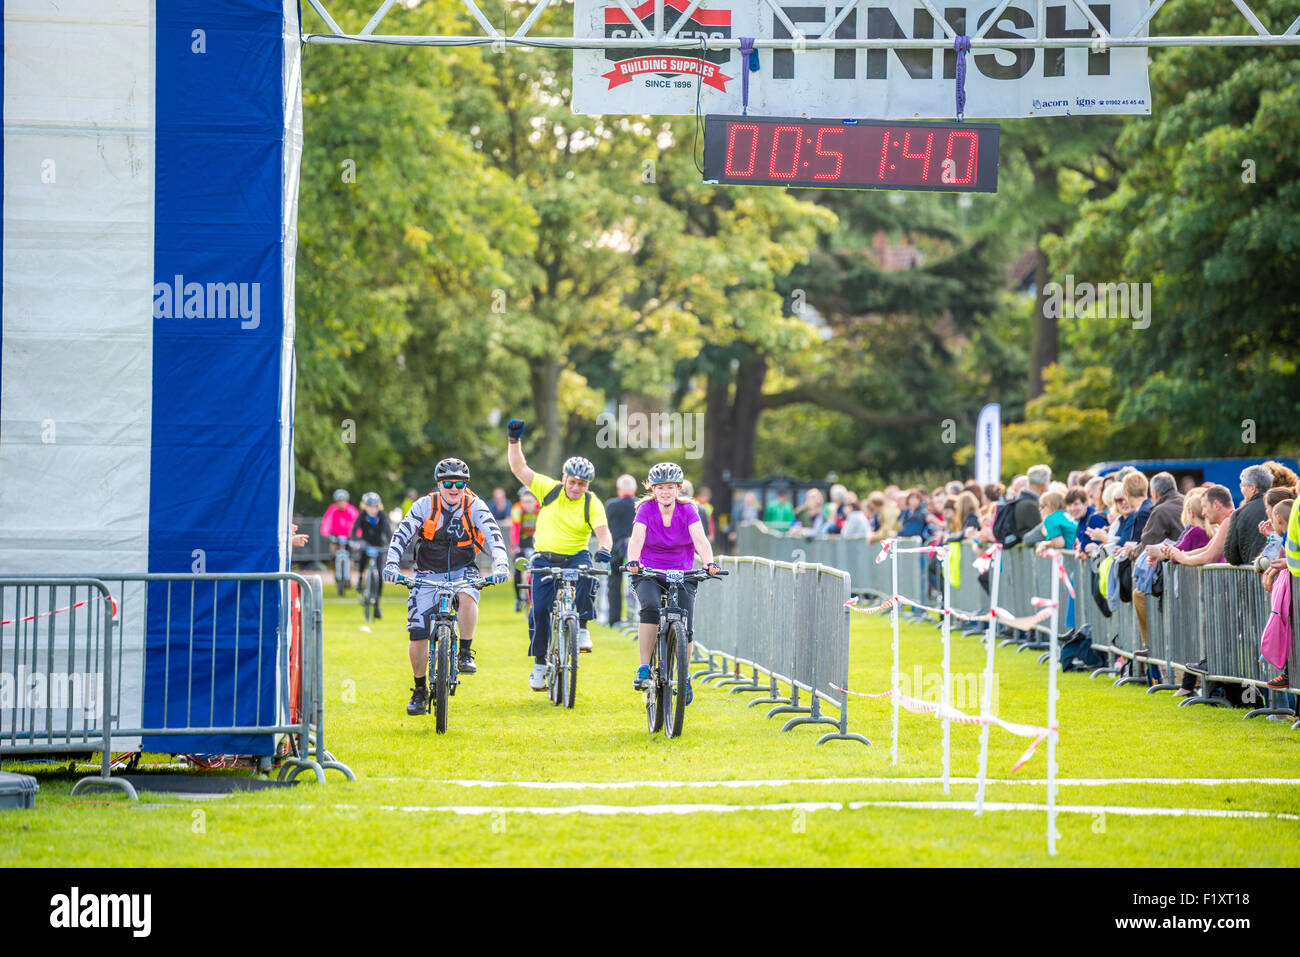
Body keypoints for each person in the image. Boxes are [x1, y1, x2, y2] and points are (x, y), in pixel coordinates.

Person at [383, 459, 510, 716]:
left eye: (460, 483)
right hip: (428, 572)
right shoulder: (424, 505)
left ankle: (464, 651)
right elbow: (401, 534)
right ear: (438, 484)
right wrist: (391, 564)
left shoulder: (474, 505)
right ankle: (419, 690)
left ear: (466, 484)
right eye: (448, 483)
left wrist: (502, 566)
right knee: (417, 631)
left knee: (467, 596)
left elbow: (494, 535)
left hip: (464, 569)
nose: (454, 488)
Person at [506, 418, 613, 691]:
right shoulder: (549, 489)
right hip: (544, 557)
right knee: (539, 611)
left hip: (576, 555)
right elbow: (519, 468)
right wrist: (514, 441)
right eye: (573, 482)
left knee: (589, 574)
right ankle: (540, 664)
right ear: (565, 478)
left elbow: (603, 532)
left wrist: (604, 550)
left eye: (583, 484)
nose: (577, 488)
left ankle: (584, 627)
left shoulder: (592, 502)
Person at [623, 462, 721, 701]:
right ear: (652, 489)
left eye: (670, 487)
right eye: (660, 487)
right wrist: (633, 561)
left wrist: (708, 562)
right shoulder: (646, 509)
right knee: (651, 609)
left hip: (682, 572)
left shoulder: (688, 510)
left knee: (685, 625)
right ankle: (644, 666)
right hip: (649, 572)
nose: (665, 492)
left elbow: (700, 540)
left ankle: (684, 676)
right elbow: (636, 540)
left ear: (678, 488)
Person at [604, 474, 639, 626]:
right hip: (637, 550)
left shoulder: (611, 505)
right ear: (635, 488)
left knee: (614, 583)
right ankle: (637, 619)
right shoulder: (640, 504)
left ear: (618, 489)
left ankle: (614, 619)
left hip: (616, 548)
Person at [350, 491, 393, 612]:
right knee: (363, 560)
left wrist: (391, 544)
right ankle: (360, 579)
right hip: (366, 544)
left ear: (378, 506)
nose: (372, 509)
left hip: (379, 546)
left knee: (379, 574)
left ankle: (377, 603)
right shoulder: (362, 515)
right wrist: (355, 542)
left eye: (374, 507)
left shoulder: (382, 516)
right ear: (364, 506)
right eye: (369, 506)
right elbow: (354, 531)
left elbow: (388, 531)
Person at [1222, 464, 1272, 566]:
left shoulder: (1239, 513)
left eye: (1243, 486)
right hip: (1286, 577)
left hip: (1254, 575)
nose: (1241, 489)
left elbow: (1231, 556)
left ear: (1253, 488)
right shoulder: (1283, 505)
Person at [509, 487, 539, 612]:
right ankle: (518, 599)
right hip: (521, 541)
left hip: (536, 539)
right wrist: (515, 545)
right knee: (517, 570)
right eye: (524, 501)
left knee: (538, 568)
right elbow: (515, 528)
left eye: (529, 501)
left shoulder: (540, 508)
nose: (527, 505)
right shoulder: (517, 509)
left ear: (535, 501)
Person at [320, 489, 359, 574]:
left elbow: (356, 523)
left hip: (348, 536)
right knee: (333, 549)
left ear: (346, 501)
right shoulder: (332, 510)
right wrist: (325, 532)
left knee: (350, 557)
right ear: (336, 502)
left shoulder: (351, 510)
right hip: (336, 535)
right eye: (339, 501)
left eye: (343, 501)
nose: (341, 503)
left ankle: (349, 576)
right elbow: (327, 521)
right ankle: (334, 563)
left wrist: (358, 533)